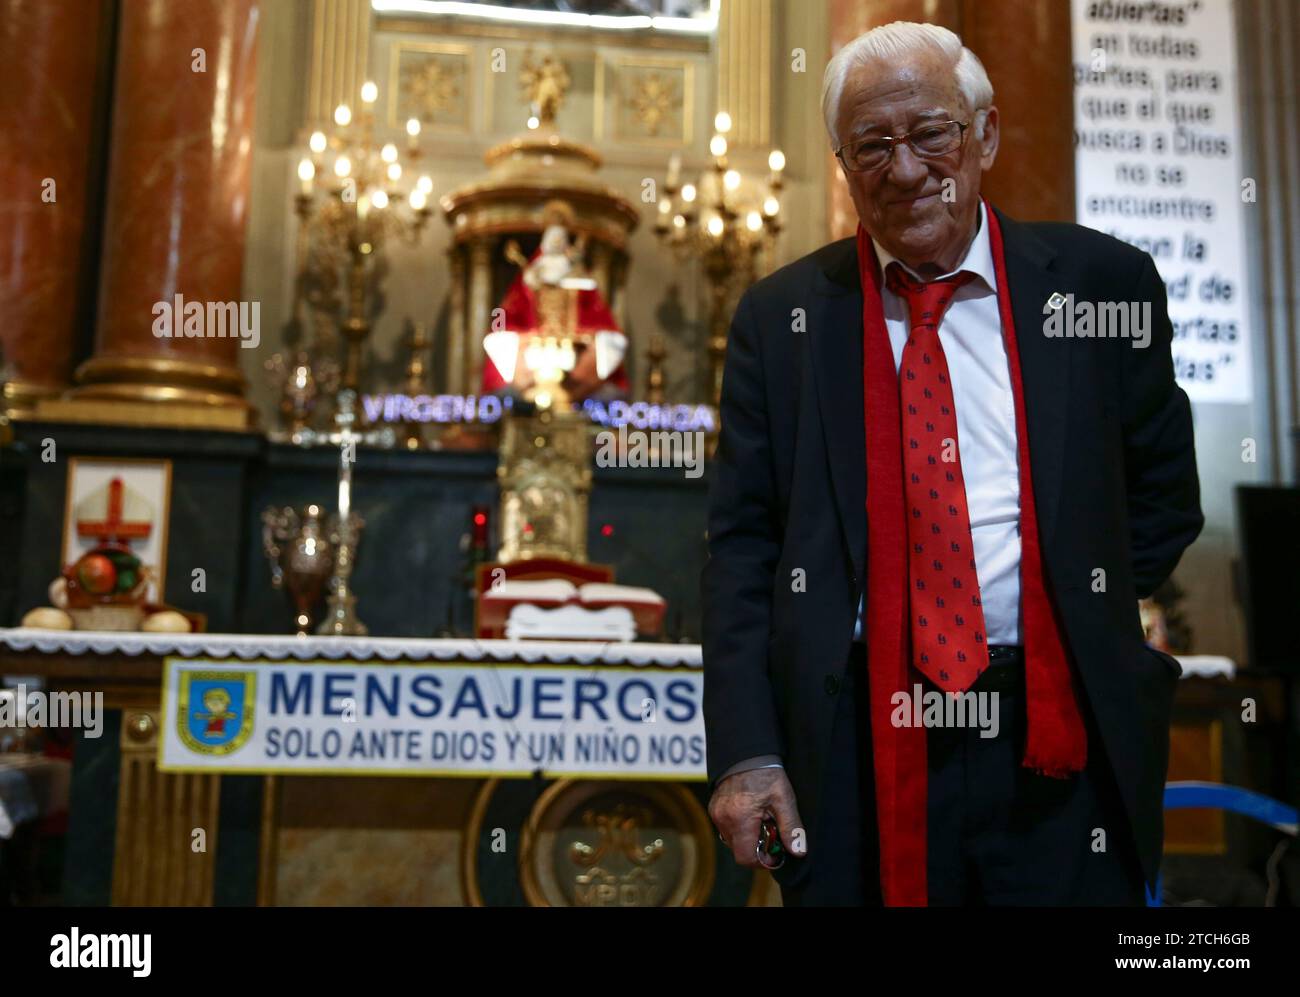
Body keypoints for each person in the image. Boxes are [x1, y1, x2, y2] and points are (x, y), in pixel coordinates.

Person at [701, 21, 1203, 906]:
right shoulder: (784, 322)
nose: (904, 170)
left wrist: (1067, 610)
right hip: (853, 747)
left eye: (931, 132)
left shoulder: (1101, 286)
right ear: (843, 164)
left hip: (1058, 736)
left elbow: (1164, 494)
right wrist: (747, 752)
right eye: (871, 147)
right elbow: (742, 550)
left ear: (987, 136)